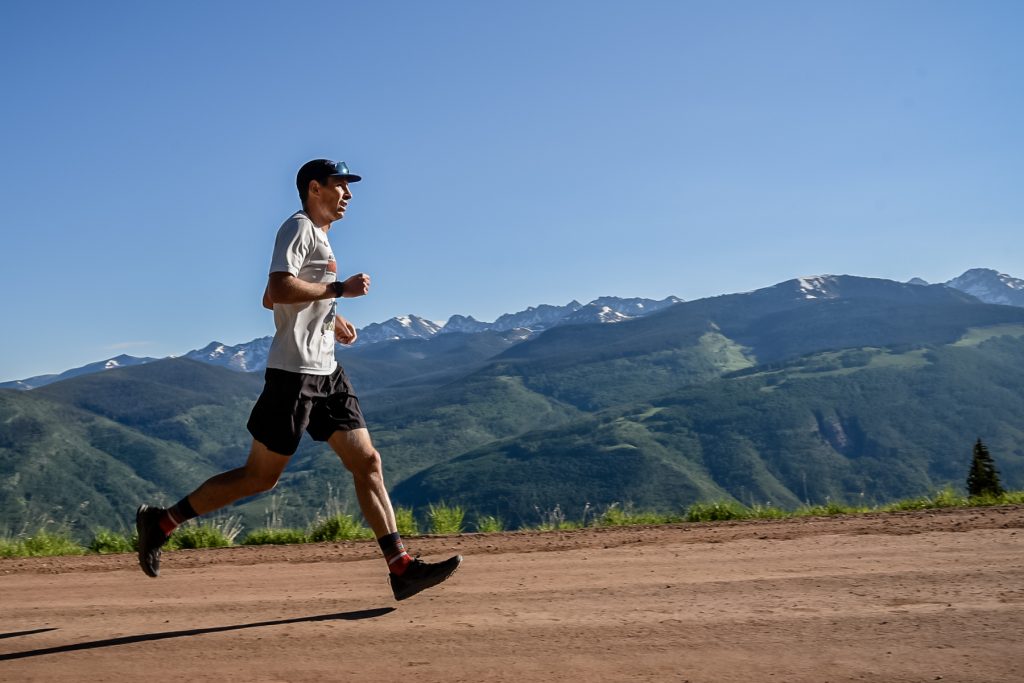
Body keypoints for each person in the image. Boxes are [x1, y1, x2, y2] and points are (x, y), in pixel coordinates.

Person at [136, 158, 461, 601]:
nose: (348, 194)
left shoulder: (321, 237)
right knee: (259, 478)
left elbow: (273, 299)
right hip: (293, 376)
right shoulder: (297, 228)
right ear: (314, 188)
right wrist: (338, 291)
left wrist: (333, 317)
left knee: (367, 461)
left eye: (349, 187)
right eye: (340, 185)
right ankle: (162, 522)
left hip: (327, 372)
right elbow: (278, 289)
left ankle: (401, 567)